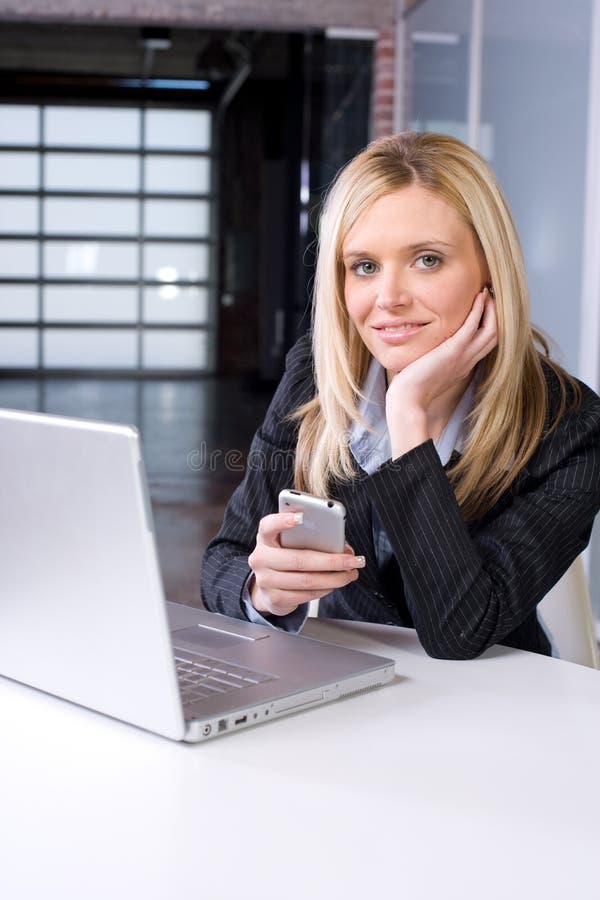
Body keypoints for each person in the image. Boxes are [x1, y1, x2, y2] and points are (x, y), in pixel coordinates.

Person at [201, 131, 600, 659]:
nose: (388, 298)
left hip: (495, 703)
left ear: (490, 267)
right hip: (348, 680)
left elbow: (461, 632)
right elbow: (224, 560)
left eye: (427, 260)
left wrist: (407, 412)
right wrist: (264, 591)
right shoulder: (316, 377)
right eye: (364, 266)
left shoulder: (569, 425)